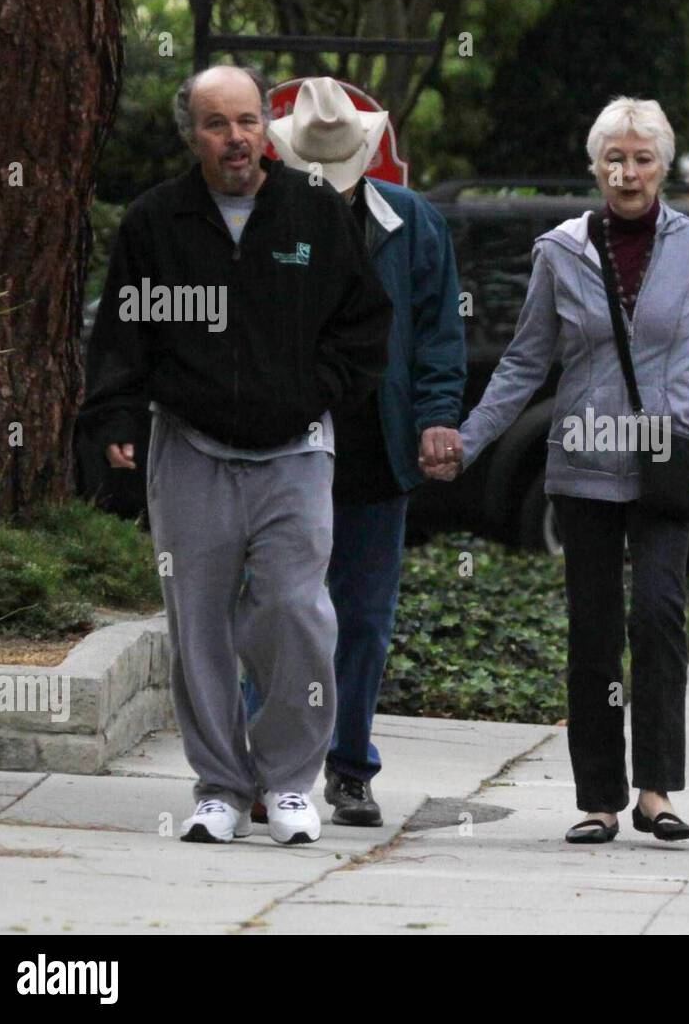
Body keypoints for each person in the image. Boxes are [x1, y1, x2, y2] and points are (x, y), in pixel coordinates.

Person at [429, 96, 689, 844]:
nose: (628, 171)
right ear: (595, 167)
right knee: (594, 630)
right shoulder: (560, 249)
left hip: (666, 460)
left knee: (659, 616)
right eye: (615, 157)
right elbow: (523, 361)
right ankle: (598, 799)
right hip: (583, 462)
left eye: (642, 158)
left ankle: (657, 790)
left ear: (664, 167)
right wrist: (471, 440)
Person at [79, 65, 391, 845]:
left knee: (295, 612)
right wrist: (115, 410)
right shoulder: (156, 222)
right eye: (218, 124)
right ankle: (220, 783)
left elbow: (364, 327)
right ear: (194, 135)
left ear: (268, 129)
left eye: (249, 121)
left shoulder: (314, 213)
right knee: (200, 624)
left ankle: (289, 782)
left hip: (296, 451)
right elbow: (123, 331)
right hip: (191, 446)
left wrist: (313, 390)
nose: (237, 138)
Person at [246, 77, 466, 828]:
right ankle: (266, 763)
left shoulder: (413, 223)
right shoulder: (261, 223)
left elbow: (439, 334)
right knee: (277, 607)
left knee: (363, 617)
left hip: (376, 448)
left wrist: (438, 416)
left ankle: (348, 766)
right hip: (283, 443)